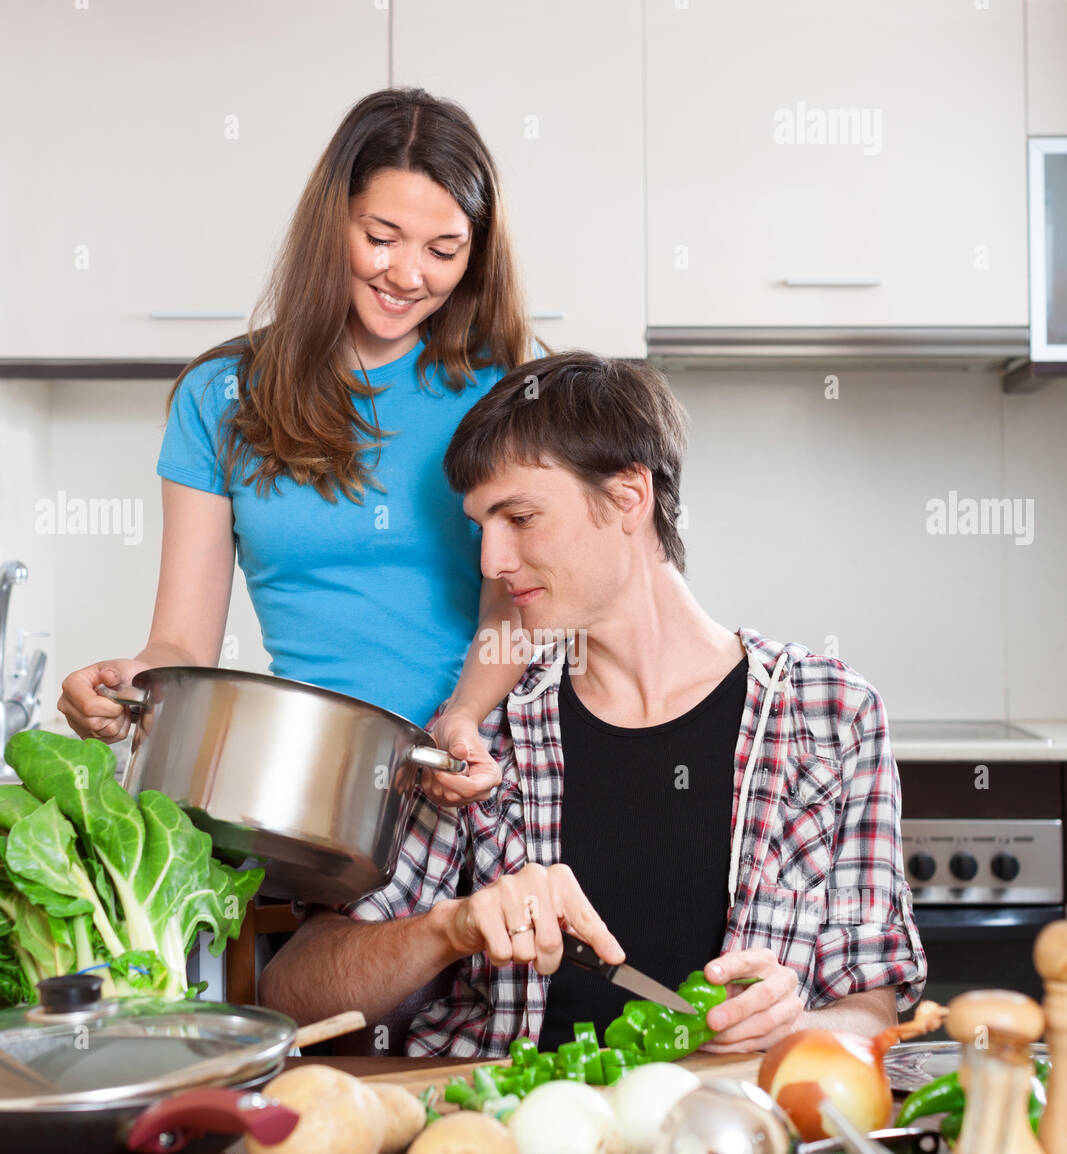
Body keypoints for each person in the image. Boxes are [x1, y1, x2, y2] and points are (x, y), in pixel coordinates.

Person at [259, 351, 927, 1056]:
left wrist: (791, 1026)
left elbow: (872, 1013)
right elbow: (295, 997)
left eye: (519, 516)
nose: (491, 562)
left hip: (727, 1143)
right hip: (501, 1142)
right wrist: (445, 928)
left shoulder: (832, 715)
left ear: (628, 497)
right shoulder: (487, 733)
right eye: (481, 526)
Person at [56, 87, 538, 805]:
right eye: (380, 237)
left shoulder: (500, 393)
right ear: (330, 221)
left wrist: (461, 718)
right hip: (308, 780)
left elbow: (515, 605)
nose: (407, 276)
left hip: (482, 760)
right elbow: (183, 645)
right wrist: (130, 683)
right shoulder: (220, 396)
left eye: (443, 251)